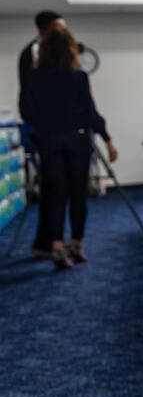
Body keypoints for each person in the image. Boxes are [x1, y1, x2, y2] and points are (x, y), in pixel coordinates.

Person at [23, 28, 117, 269]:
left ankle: (56, 246)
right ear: (70, 49)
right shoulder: (79, 77)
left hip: (49, 141)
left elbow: (27, 112)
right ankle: (76, 244)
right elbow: (90, 112)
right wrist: (107, 139)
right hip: (77, 140)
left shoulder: (33, 78)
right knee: (77, 194)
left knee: (55, 195)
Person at [18, 10, 66, 258]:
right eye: (59, 28)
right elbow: (33, 95)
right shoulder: (35, 53)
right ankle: (45, 242)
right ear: (44, 29)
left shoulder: (49, 52)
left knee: (55, 187)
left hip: (55, 128)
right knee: (53, 187)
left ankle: (47, 241)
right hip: (43, 129)